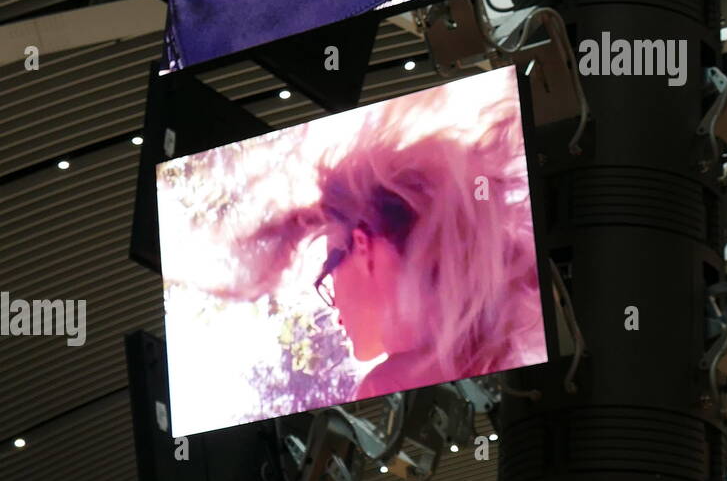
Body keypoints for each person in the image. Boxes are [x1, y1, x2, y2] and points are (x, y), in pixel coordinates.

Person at [223, 93, 545, 400]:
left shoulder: (388, 386)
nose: (334, 316)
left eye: (329, 283)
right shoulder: (496, 351)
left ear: (362, 246)